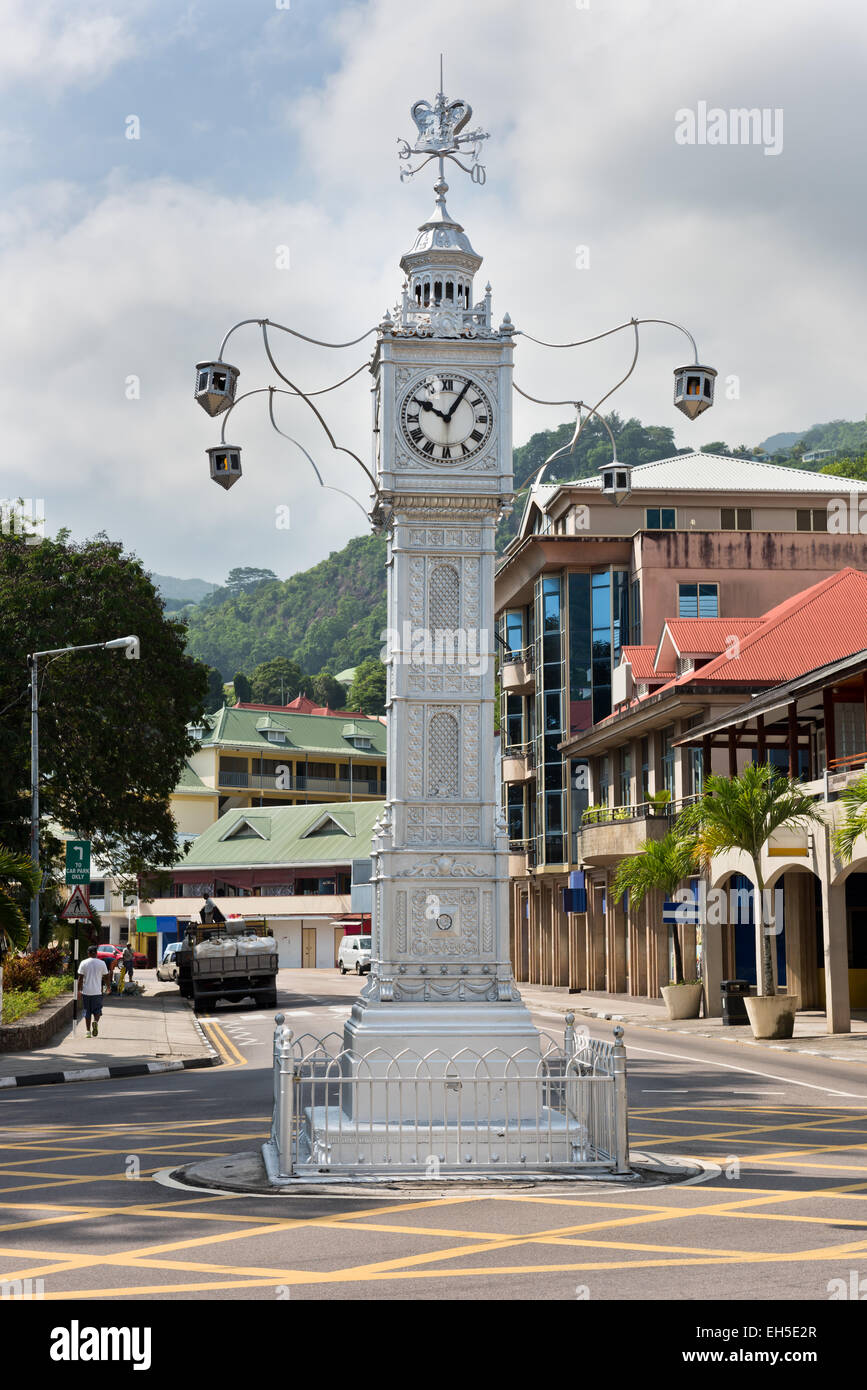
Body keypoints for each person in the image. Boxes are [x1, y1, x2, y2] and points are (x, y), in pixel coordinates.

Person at [77, 945, 108, 1038]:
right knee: (97, 1010)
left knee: (87, 1011)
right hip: (97, 992)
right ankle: (95, 1022)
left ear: (88, 953)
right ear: (96, 953)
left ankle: (88, 1032)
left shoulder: (83, 963)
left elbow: (80, 979)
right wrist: (109, 987)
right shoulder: (102, 963)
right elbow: (106, 977)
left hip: (86, 992)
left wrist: (78, 991)